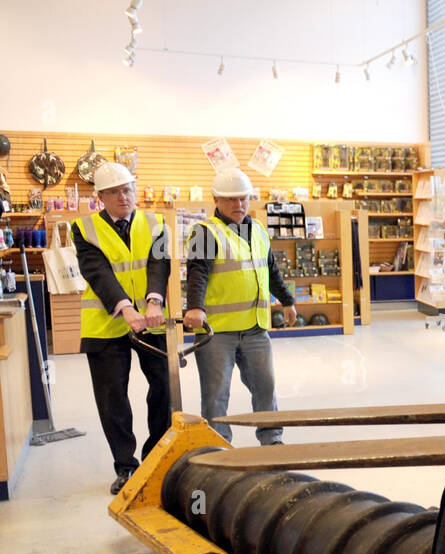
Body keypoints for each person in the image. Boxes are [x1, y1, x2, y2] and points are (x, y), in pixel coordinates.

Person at [74, 162, 171, 494]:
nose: (123, 197)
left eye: (127, 189)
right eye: (114, 192)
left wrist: (154, 300)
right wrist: (125, 307)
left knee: (165, 388)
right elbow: (97, 271)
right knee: (112, 397)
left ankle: (157, 457)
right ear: (100, 196)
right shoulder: (84, 229)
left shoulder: (154, 222)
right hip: (106, 324)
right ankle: (126, 466)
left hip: (152, 319)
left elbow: (159, 263)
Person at [183, 169, 296, 445]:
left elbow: (270, 270)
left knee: (265, 388)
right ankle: (217, 445)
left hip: (255, 328)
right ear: (216, 200)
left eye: (243, 199)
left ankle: (272, 440)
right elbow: (197, 273)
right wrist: (195, 307)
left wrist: (288, 300)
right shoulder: (204, 231)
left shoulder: (257, 229)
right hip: (217, 332)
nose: (239, 205)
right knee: (216, 394)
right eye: (231, 200)